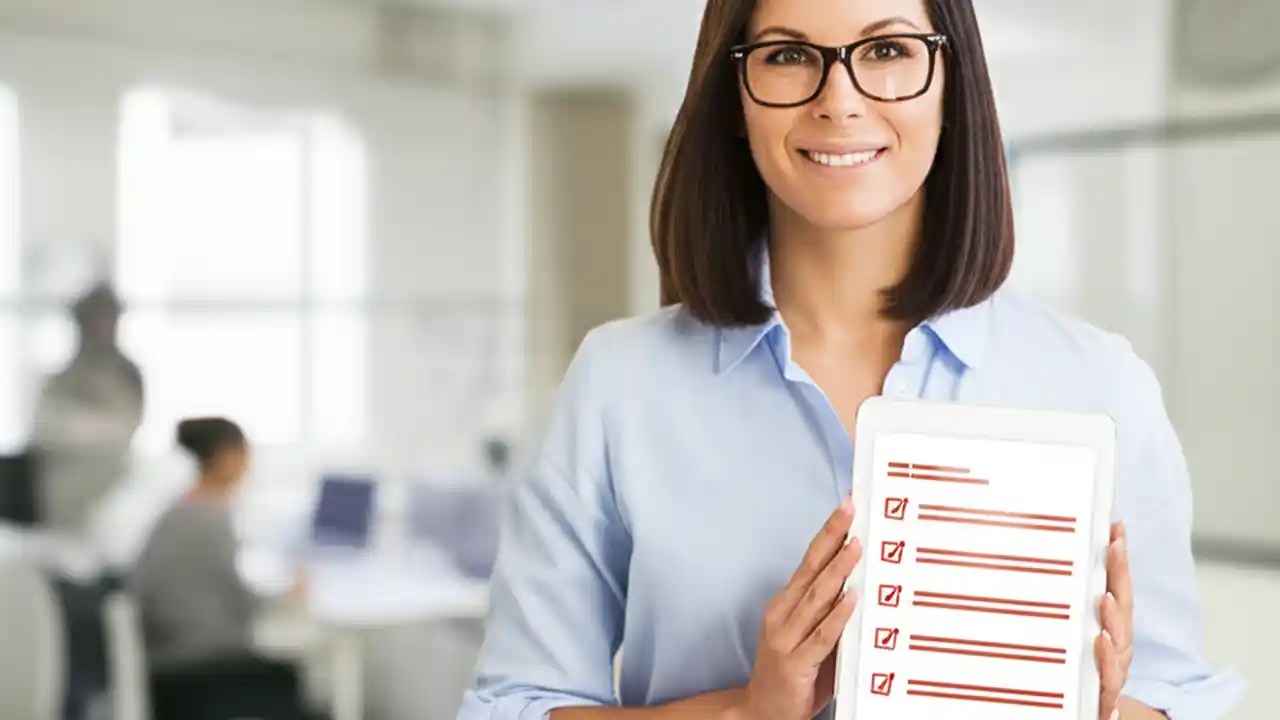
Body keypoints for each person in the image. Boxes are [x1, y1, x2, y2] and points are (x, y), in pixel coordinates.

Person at [460, 1, 1243, 719]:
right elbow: (510, 705)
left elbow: (1183, 697)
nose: (839, 99)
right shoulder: (620, 385)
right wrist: (746, 712)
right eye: (788, 56)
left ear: (951, 85)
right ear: (734, 96)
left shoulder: (1099, 385)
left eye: (890, 49)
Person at [131, 417, 310, 720]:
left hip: (161, 665)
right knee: (291, 677)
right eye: (245, 454)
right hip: (192, 673)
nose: (249, 466)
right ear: (227, 457)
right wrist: (286, 595)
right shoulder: (212, 517)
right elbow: (241, 605)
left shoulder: (178, 510)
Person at [31, 281, 144, 531]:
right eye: (91, 321)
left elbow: (121, 431)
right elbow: (45, 431)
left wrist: (78, 428)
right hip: (63, 495)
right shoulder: (60, 379)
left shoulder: (127, 377)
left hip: (113, 488)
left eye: (104, 321)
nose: (98, 329)